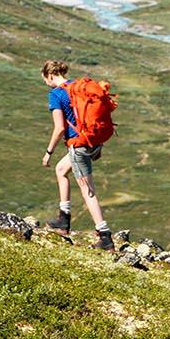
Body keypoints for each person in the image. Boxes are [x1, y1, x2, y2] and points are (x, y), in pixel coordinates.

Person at [41, 59, 113, 250]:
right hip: (92, 142)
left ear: (50, 76)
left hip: (79, 146)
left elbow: (59, 128)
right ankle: (63, 219)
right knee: (61, 169)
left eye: (45, 80)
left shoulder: (56, 94)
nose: (46, 84)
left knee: (88, 190)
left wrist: (49, 152)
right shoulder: (78, 87)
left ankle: (104, 236)